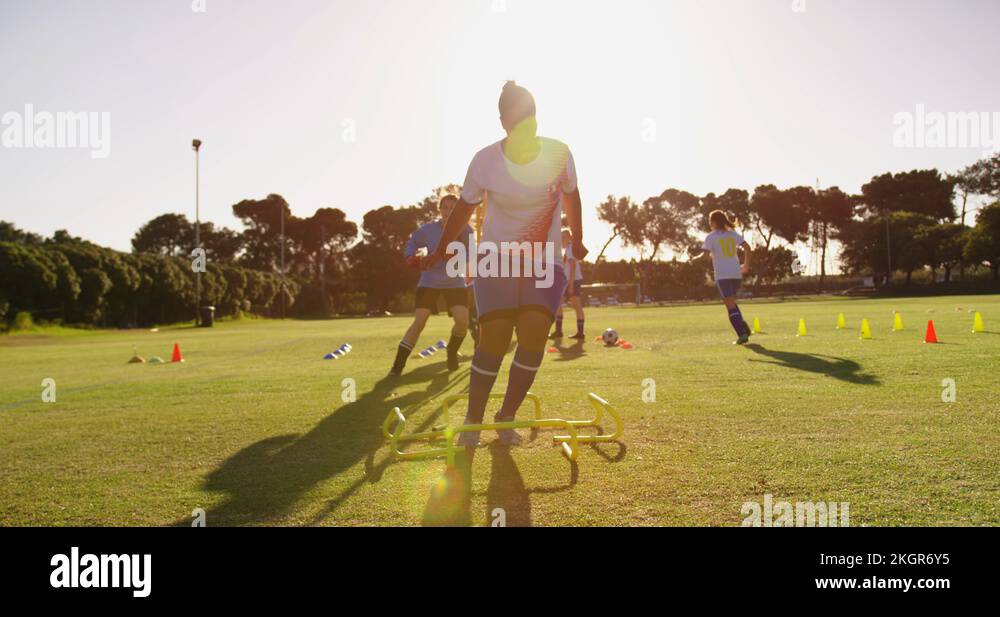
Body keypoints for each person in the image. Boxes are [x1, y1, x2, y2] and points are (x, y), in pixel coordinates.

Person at [424, 80, 586, 448]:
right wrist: (441, 247)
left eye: (530, 116)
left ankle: (506, 418)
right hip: (496, 260)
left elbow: (573, 196)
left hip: (544, 262)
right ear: (503, 122)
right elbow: (465, 207)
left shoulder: (560, 154)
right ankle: (472, 420)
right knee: (494, 341)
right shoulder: (485, 160)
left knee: (532, 336)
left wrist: (578, 236)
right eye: (517, 119)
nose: (525, 125)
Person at [389, 195, 473, 375]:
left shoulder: (466, 230)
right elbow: (412, 243)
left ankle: (451, 351)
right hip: (429, 282)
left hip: (454, 282)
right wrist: (410, 257)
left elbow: (473, 255)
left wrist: (457, 257)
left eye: (453, 207)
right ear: (440, 209)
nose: (449, 211)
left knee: (462, 321)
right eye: (445, 207)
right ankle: (397, 367)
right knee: (419, 323)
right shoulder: (427, 230)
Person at [698, 210, 753, 344]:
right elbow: (747, 248)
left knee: (729, 305)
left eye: (710, 221)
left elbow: (704, 256)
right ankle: (743, 327)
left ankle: (742, 334)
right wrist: (746, 265)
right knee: (731, 302)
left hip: (723, 275)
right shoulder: (732, 234)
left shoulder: (711, 237)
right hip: (736, 273)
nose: (709, 223)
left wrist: (693, 259)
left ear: (715, 222)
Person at [551, 228, 586, 339]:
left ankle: (580, 333)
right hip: (568, 281)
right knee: (558, 303)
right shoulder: (568, 249)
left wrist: (570, 285)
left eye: (563, 238)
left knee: (576, 305)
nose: (561, 240)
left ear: (569, 238)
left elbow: (572, 266)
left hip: (573, 281)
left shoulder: (570, 248)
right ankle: (559, 331)